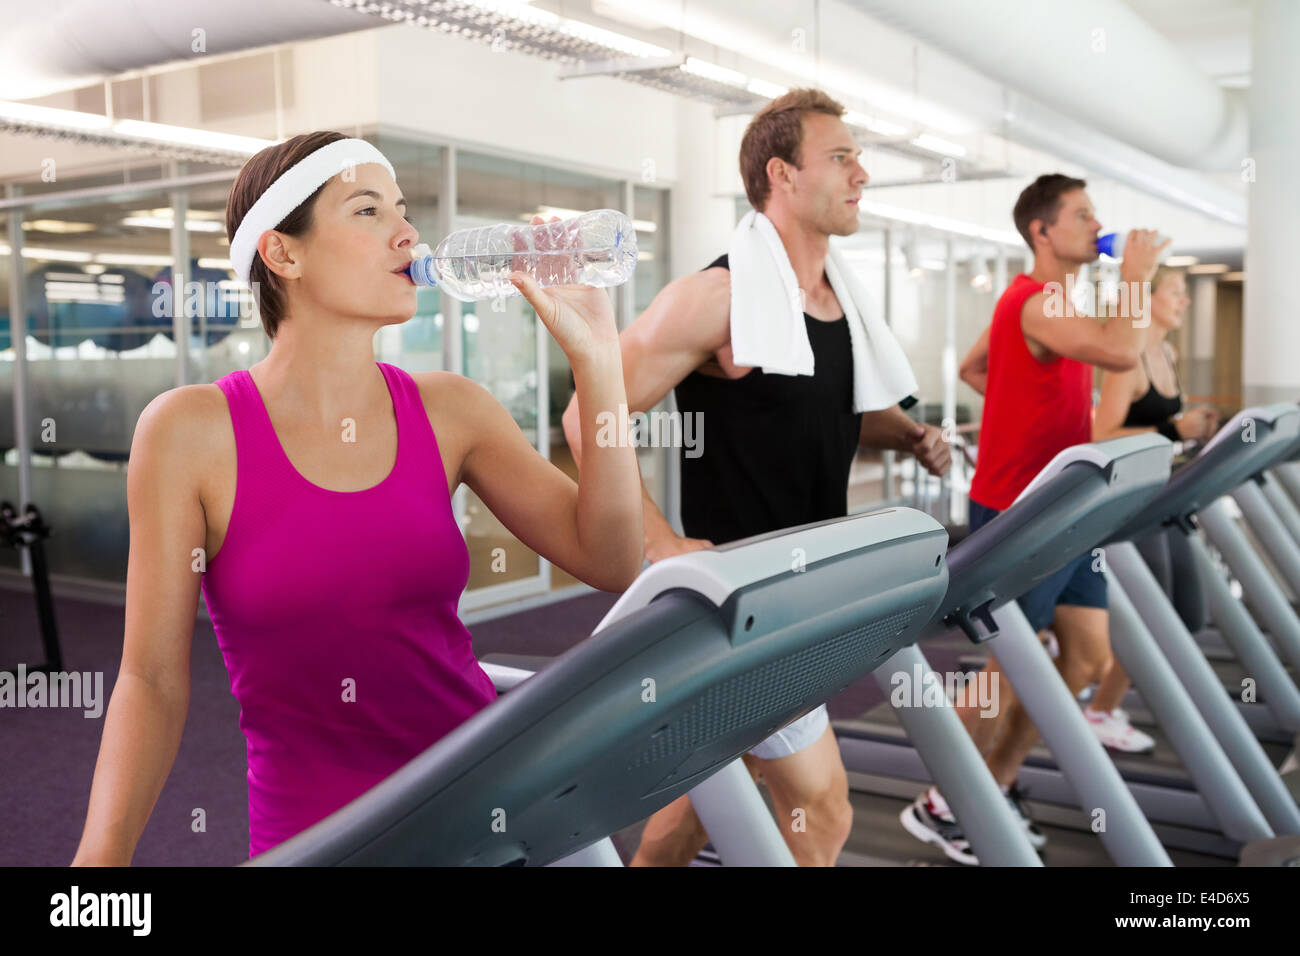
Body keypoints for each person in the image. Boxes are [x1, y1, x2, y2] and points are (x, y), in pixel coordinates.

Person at [70, 130, 644, 864]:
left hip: (484, 810)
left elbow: (613, 558)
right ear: (285, 254)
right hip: (321, 839)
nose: (408, 232)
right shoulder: (190, 432)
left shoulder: (452, 410)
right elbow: (150, 678)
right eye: (368, 211)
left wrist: (598, 361)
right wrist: (101, 858)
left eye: (403, 210)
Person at [561, 88, 951, 867]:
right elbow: (586, 417)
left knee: (698, 803)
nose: (862, 173)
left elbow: (814, 408)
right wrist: (662, 542)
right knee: (823, 809)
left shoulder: (839, 304)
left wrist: (905, 434)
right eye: (840, 157)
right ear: (782, 173)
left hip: (809, 593)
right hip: (741, 606)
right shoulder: (721, 297)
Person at [905, 173, 1167, 864]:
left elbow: (972, 368)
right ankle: (938, 801)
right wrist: (1136, 277)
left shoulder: (1055, 308)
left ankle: (998, 781)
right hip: (1019, 510)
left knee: (1083, 655)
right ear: (1041, 233)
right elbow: (1119, 352)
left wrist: (1022, 404)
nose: (1096, 223)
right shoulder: (1036, 300)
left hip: (1067, 508)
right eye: (1082, 215)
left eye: (1094, 213)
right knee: (1009, 664)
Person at [1084, 266, 1218, 747]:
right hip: (1133, 506)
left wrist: (1186, 428)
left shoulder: (1166, 351)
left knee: (1186, 616)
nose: (1184, 301)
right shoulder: (1129, 358)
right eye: (1177, 292)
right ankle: (1101, 708)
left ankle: (1103, 693)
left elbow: (1163, 424)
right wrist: (1173, 432)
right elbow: (1102, 434)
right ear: (1150, 297)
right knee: (1151, 615)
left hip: (1166, 493)